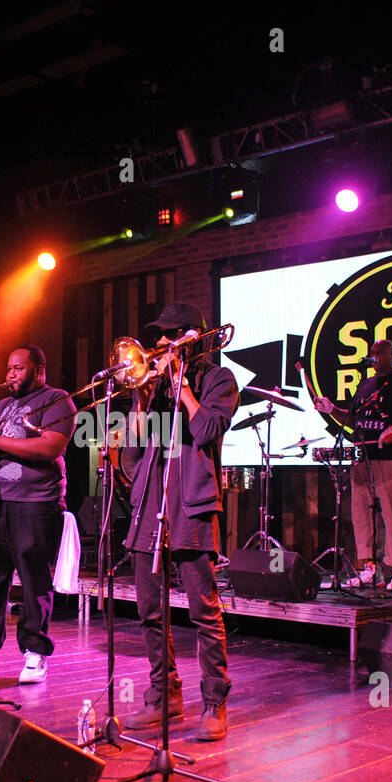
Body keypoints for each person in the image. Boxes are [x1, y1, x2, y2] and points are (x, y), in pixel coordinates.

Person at [121, 303, 239, 741]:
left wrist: (182, 386)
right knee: (150, 610)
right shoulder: (155, 390)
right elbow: (131, 455)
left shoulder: (218, 379)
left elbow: (208, 430)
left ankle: (214, 702)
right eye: (161, 337)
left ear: (193, 336)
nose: (162, 345)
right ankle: (163, 695)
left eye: (171, 336)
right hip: (150, 503)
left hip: (191, 505)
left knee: (203, 611)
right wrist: (140, 397)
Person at [0, 346, 75, 684]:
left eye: (18, 369)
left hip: (35, 504)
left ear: (39, 371)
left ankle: (35, 655)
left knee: (36, 581)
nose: (9, 375)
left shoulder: (57, 400)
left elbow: (50, 447)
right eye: (8, 368)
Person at [313, 338, 392, 591]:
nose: (374, 356)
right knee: (364, 516)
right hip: (364, 459)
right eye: (372, 352)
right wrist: (331, 409)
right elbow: (354, 420)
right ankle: (370, 570)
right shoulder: (365, 385)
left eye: (380, 352)